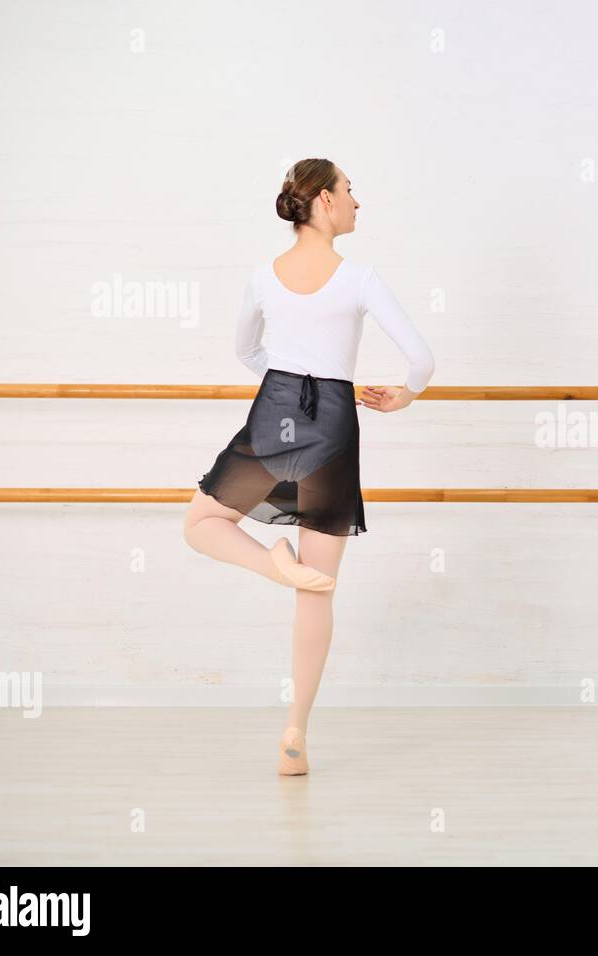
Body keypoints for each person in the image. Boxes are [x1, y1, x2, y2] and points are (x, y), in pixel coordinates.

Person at [183, 158, 435, 775]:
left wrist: (285, 379)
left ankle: (274, 567)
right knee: (317, 589)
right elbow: (421, 359)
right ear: (324, 201)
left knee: (201, 523)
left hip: (275, 411)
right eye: (350, 191)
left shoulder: (262, 278)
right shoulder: (360, 278)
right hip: (332, 423)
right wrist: (402, 394)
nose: (357, 201)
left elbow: (245, 350)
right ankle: (295, 732)